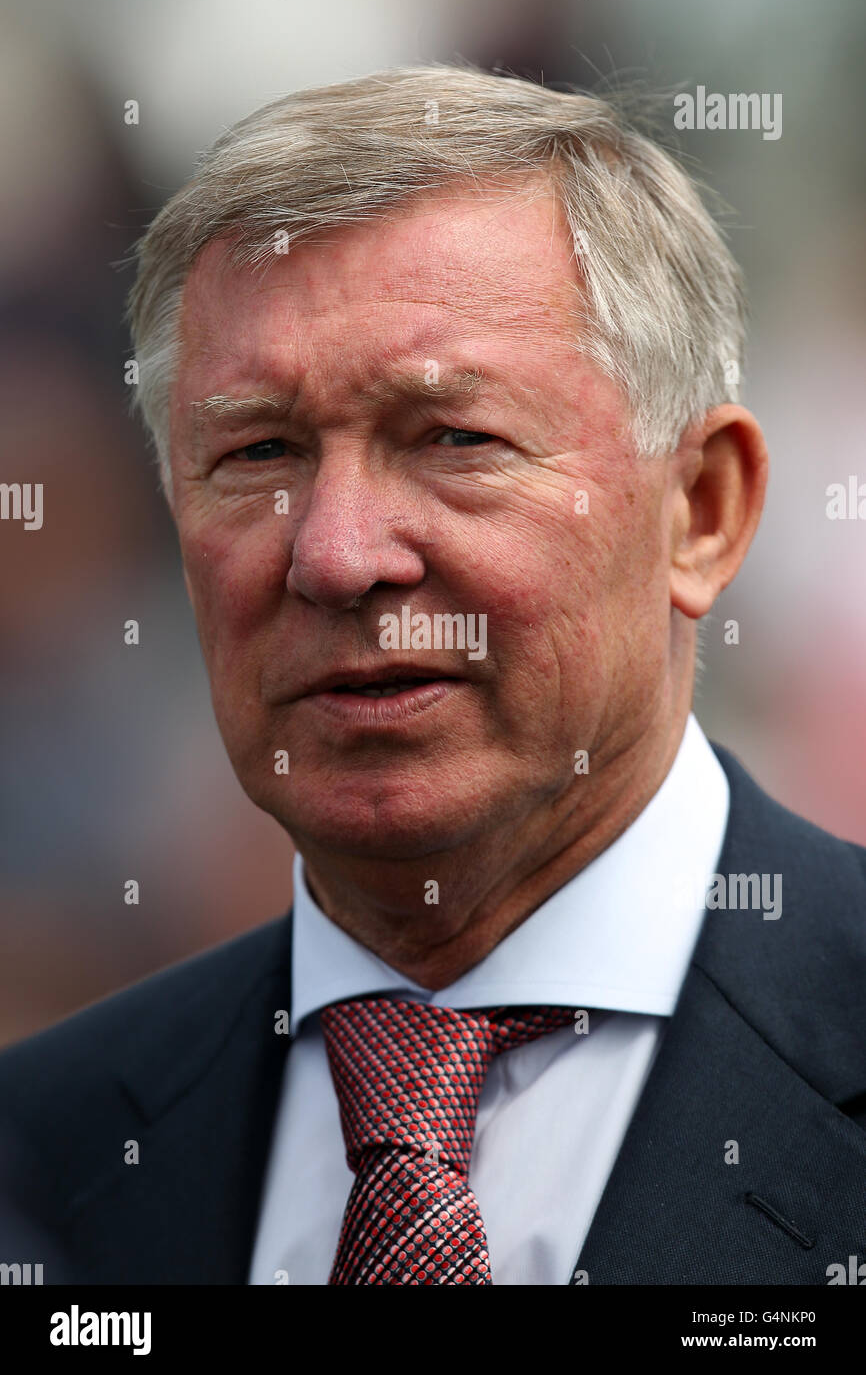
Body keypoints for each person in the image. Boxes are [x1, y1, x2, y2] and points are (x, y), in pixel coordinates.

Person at [1, 64, 864, 1287]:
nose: (337, 555)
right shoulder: (40, 1160)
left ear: (700, 511)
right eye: (256, 451)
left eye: (453, 439)